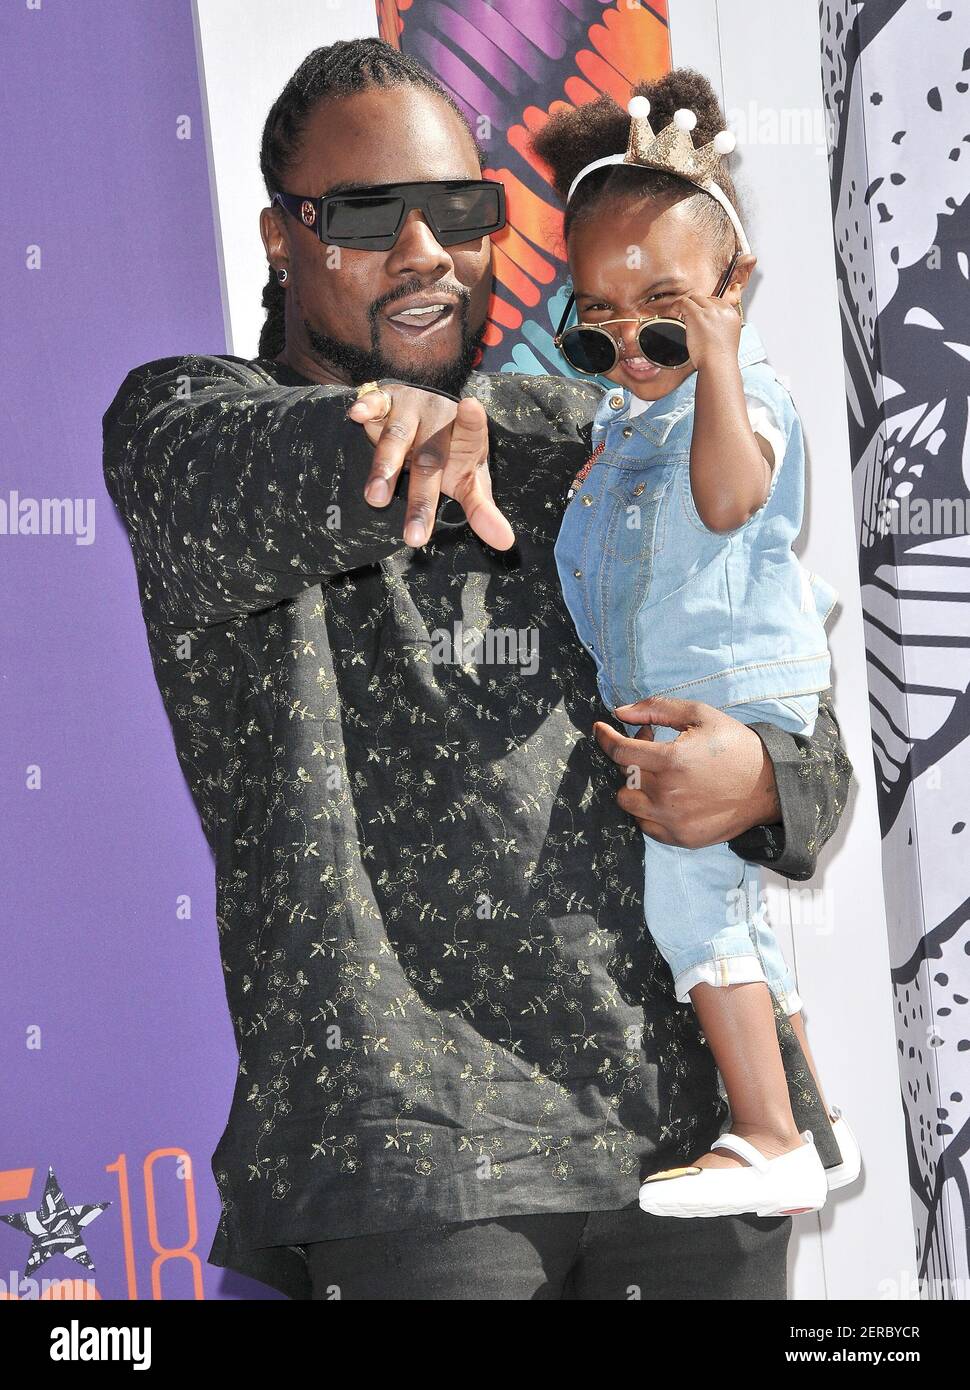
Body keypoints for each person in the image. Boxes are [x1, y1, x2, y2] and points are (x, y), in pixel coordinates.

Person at [102, 38, 852, 1300]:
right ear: (279, 236)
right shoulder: (190, 427)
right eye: (363, 215)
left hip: (695, 1139)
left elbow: (800, 730)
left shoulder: (593, 442)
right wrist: (381, 427)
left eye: (457, 211)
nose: (420, 252)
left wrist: (762, 775)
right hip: (408, 1171)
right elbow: (246, 474)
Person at [533, 69, 863, 1222]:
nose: (631, 348)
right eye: (596, 330)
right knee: (729, 915)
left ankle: (767, 1132)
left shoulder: (743, 393)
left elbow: (729, 500)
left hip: (729, 695)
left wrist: (715, 360)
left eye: (665, 313)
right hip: (679, 694)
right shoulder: (629, 415)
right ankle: (808, 1119)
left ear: (733, 288)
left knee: (697, 912)